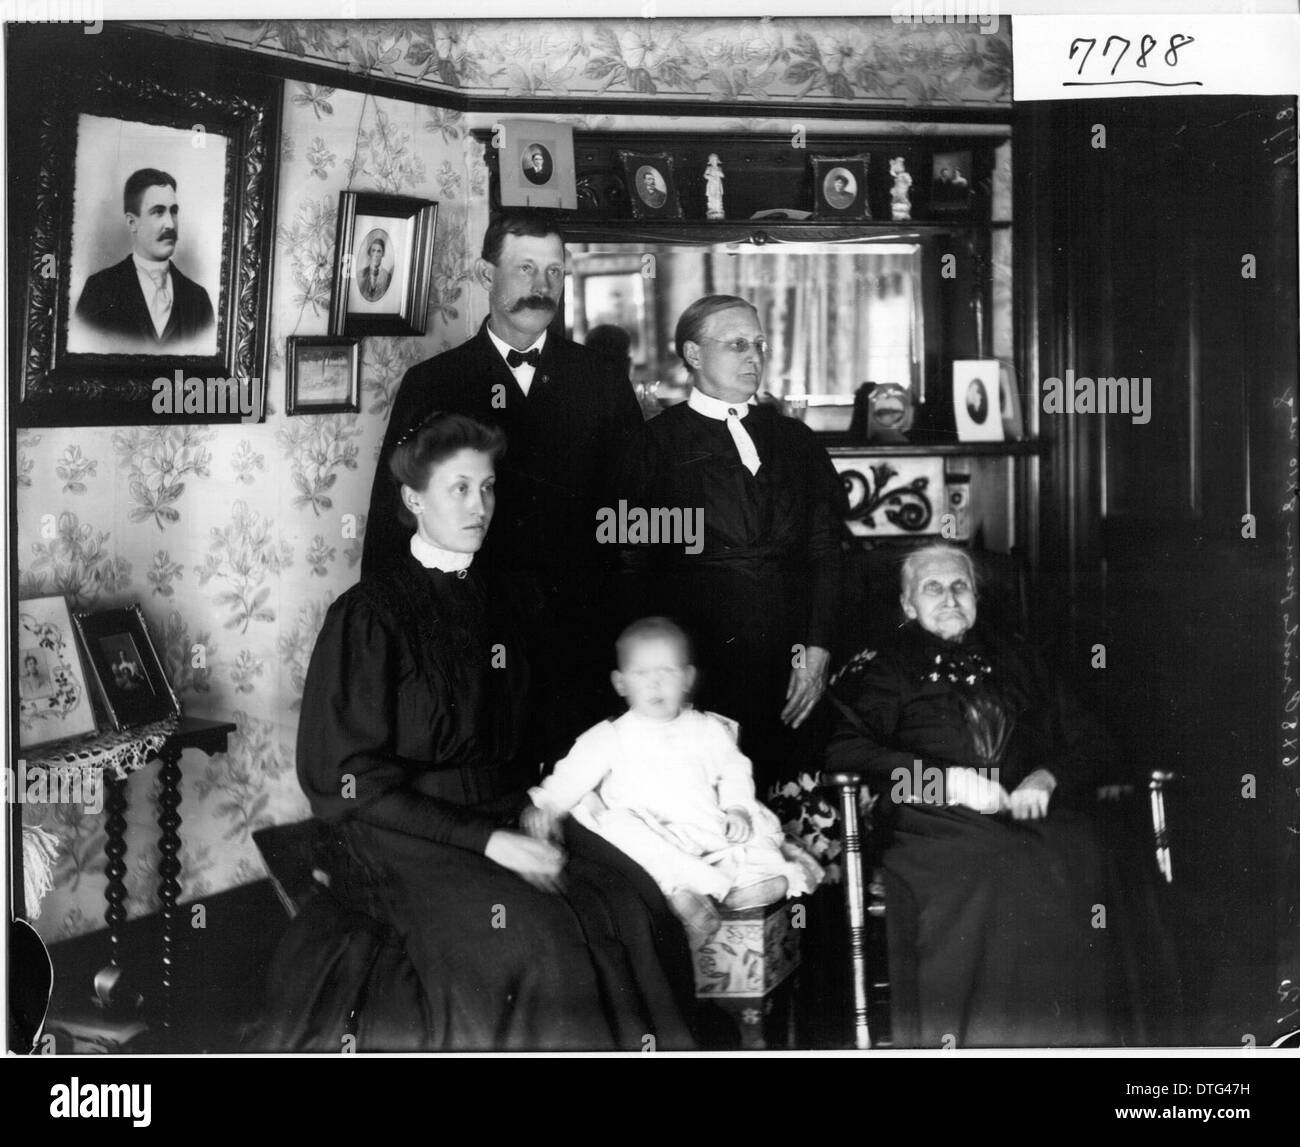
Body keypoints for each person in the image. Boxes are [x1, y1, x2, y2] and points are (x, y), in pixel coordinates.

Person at [262, 412, 696, 1051]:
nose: (480, 505)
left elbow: (545, 725)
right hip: (397, 828)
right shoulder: (369, 615)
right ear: (414, 500)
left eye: (488, 488)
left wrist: (549, 802)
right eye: (459, 489)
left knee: (632, 904)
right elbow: (347, 781)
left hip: (505, 804)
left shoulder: (511, 598)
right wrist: (487, 842)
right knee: (533, 935)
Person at [363, 209, 642, 767]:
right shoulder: (434, 382)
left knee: (573, 790)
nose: (541, 288)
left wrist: (630, 623)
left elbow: (634, 505)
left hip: (576, 631)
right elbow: (393, 515)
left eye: (554, 272)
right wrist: (390, 631)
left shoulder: (601, 381)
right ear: (486, 273)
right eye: (524, 268)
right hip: (468, 626)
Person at [823, 543, 1113, 1048]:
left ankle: (1076, 1041)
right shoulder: (884, 665)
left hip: (1028, 809)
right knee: (1002, 862)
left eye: (960, 586)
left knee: (1089, 856)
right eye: (932, 588)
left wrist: (1046, 776)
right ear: (908, 604)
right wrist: (946, 781)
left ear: (977, 596)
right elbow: (845, 752)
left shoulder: (1021, 655)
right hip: (930, 818)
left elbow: (1093, 740)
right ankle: (978, 1041)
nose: (949, 597)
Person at [619, 294, 846, 797]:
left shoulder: (795, 440)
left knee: (800, 799)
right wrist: (668, 675)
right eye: (737, 344)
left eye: (760, 344)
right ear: (694, 355)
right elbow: (633, 570)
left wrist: (818, 649)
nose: (754, 356)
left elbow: (827, 551)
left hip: (792, 659)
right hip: (702, 660)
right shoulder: (653, 445)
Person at [523, 617, 821, 944]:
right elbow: (572, 776)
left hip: (705, 827)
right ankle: (681, 895)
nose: (655, 684)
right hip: (654, 834)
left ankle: (740, 891)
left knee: (752, 833)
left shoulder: (708, 729)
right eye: (642, 674)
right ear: (620, 683)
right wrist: (548, 806)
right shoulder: (610, 736)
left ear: (687, 678)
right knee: (619, 828)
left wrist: (736, 809)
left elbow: (734, 771)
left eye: (667, 672)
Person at [75, 168, 214, 348]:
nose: (170, 224)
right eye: (158, 212)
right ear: (132, 222)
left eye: (173, 211)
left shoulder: (198, 299)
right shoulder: (99, 290)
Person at [357, 236, 392, 302]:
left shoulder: (388, 277)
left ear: (383, 254)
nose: (375, 254)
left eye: (379, 251)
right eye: (373, 250)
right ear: (370, 253)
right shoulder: (360, 274)